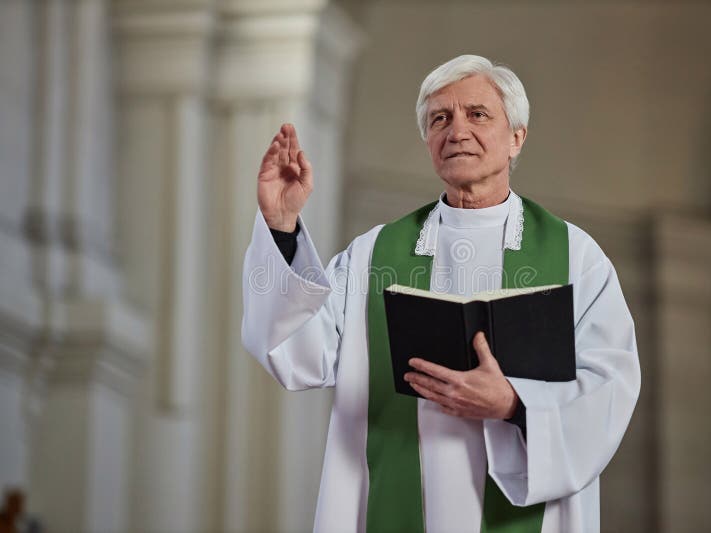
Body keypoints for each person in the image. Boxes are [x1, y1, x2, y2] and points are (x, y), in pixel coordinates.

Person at [241, 54, 640, 533]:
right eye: (440, 119)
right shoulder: (375, 255)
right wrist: (281, 226)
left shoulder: (575, 256)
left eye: (477, 114)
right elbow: (296, 351)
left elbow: (611, 384)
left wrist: (513, 403)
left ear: (517, 137)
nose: (457, 131)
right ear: (428, 140)